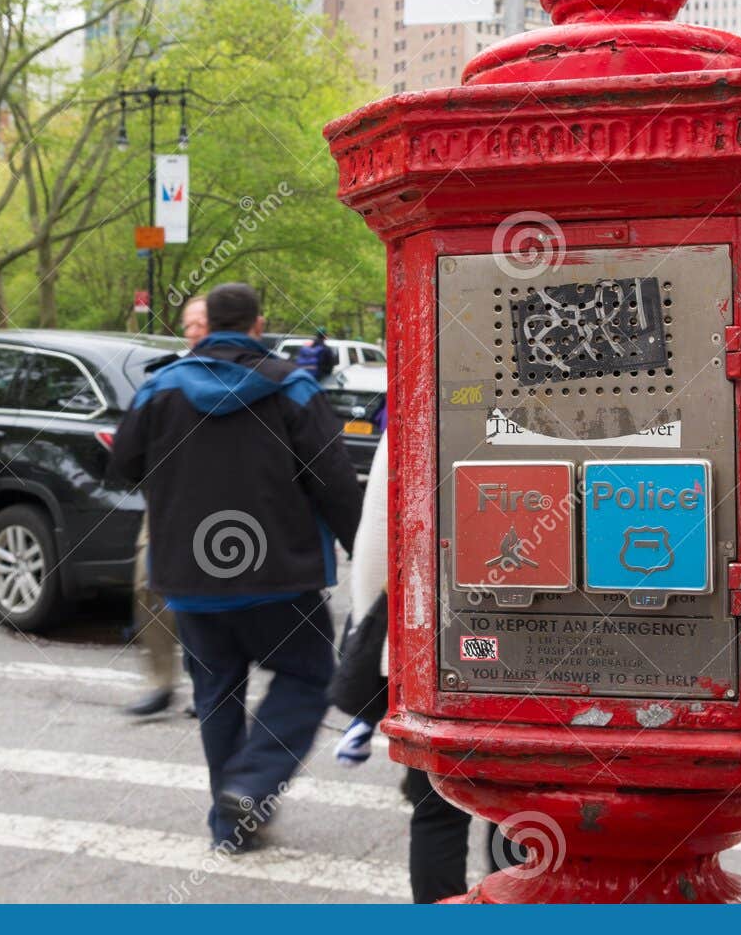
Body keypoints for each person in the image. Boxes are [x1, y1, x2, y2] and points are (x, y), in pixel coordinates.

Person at [110, 283, 363, 852]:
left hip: (190, 580)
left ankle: (232, 826)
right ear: (258, 325)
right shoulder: (293, 387)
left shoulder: (160, 388)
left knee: (217, 697)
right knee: (308, 677)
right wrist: (365, 553)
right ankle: (251, 784)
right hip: (280, 577)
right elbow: (335, 481)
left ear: (208, 325)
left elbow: (123, 462)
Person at [332, 431, 524, 902]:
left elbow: (376, 544)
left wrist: (378, 645)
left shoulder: (415, 421)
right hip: (530, 640)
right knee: (524, 810)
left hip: (439, 645)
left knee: (437, 807)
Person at [125, 295, 209, 719]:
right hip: (165, 501)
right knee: (148, 582)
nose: (193, 331)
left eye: (201, 323)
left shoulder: (238, 377)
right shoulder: (166, 377)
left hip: (215, 505)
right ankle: (161, 681)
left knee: (204, 594)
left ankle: (208, 685)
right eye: (188, 324)